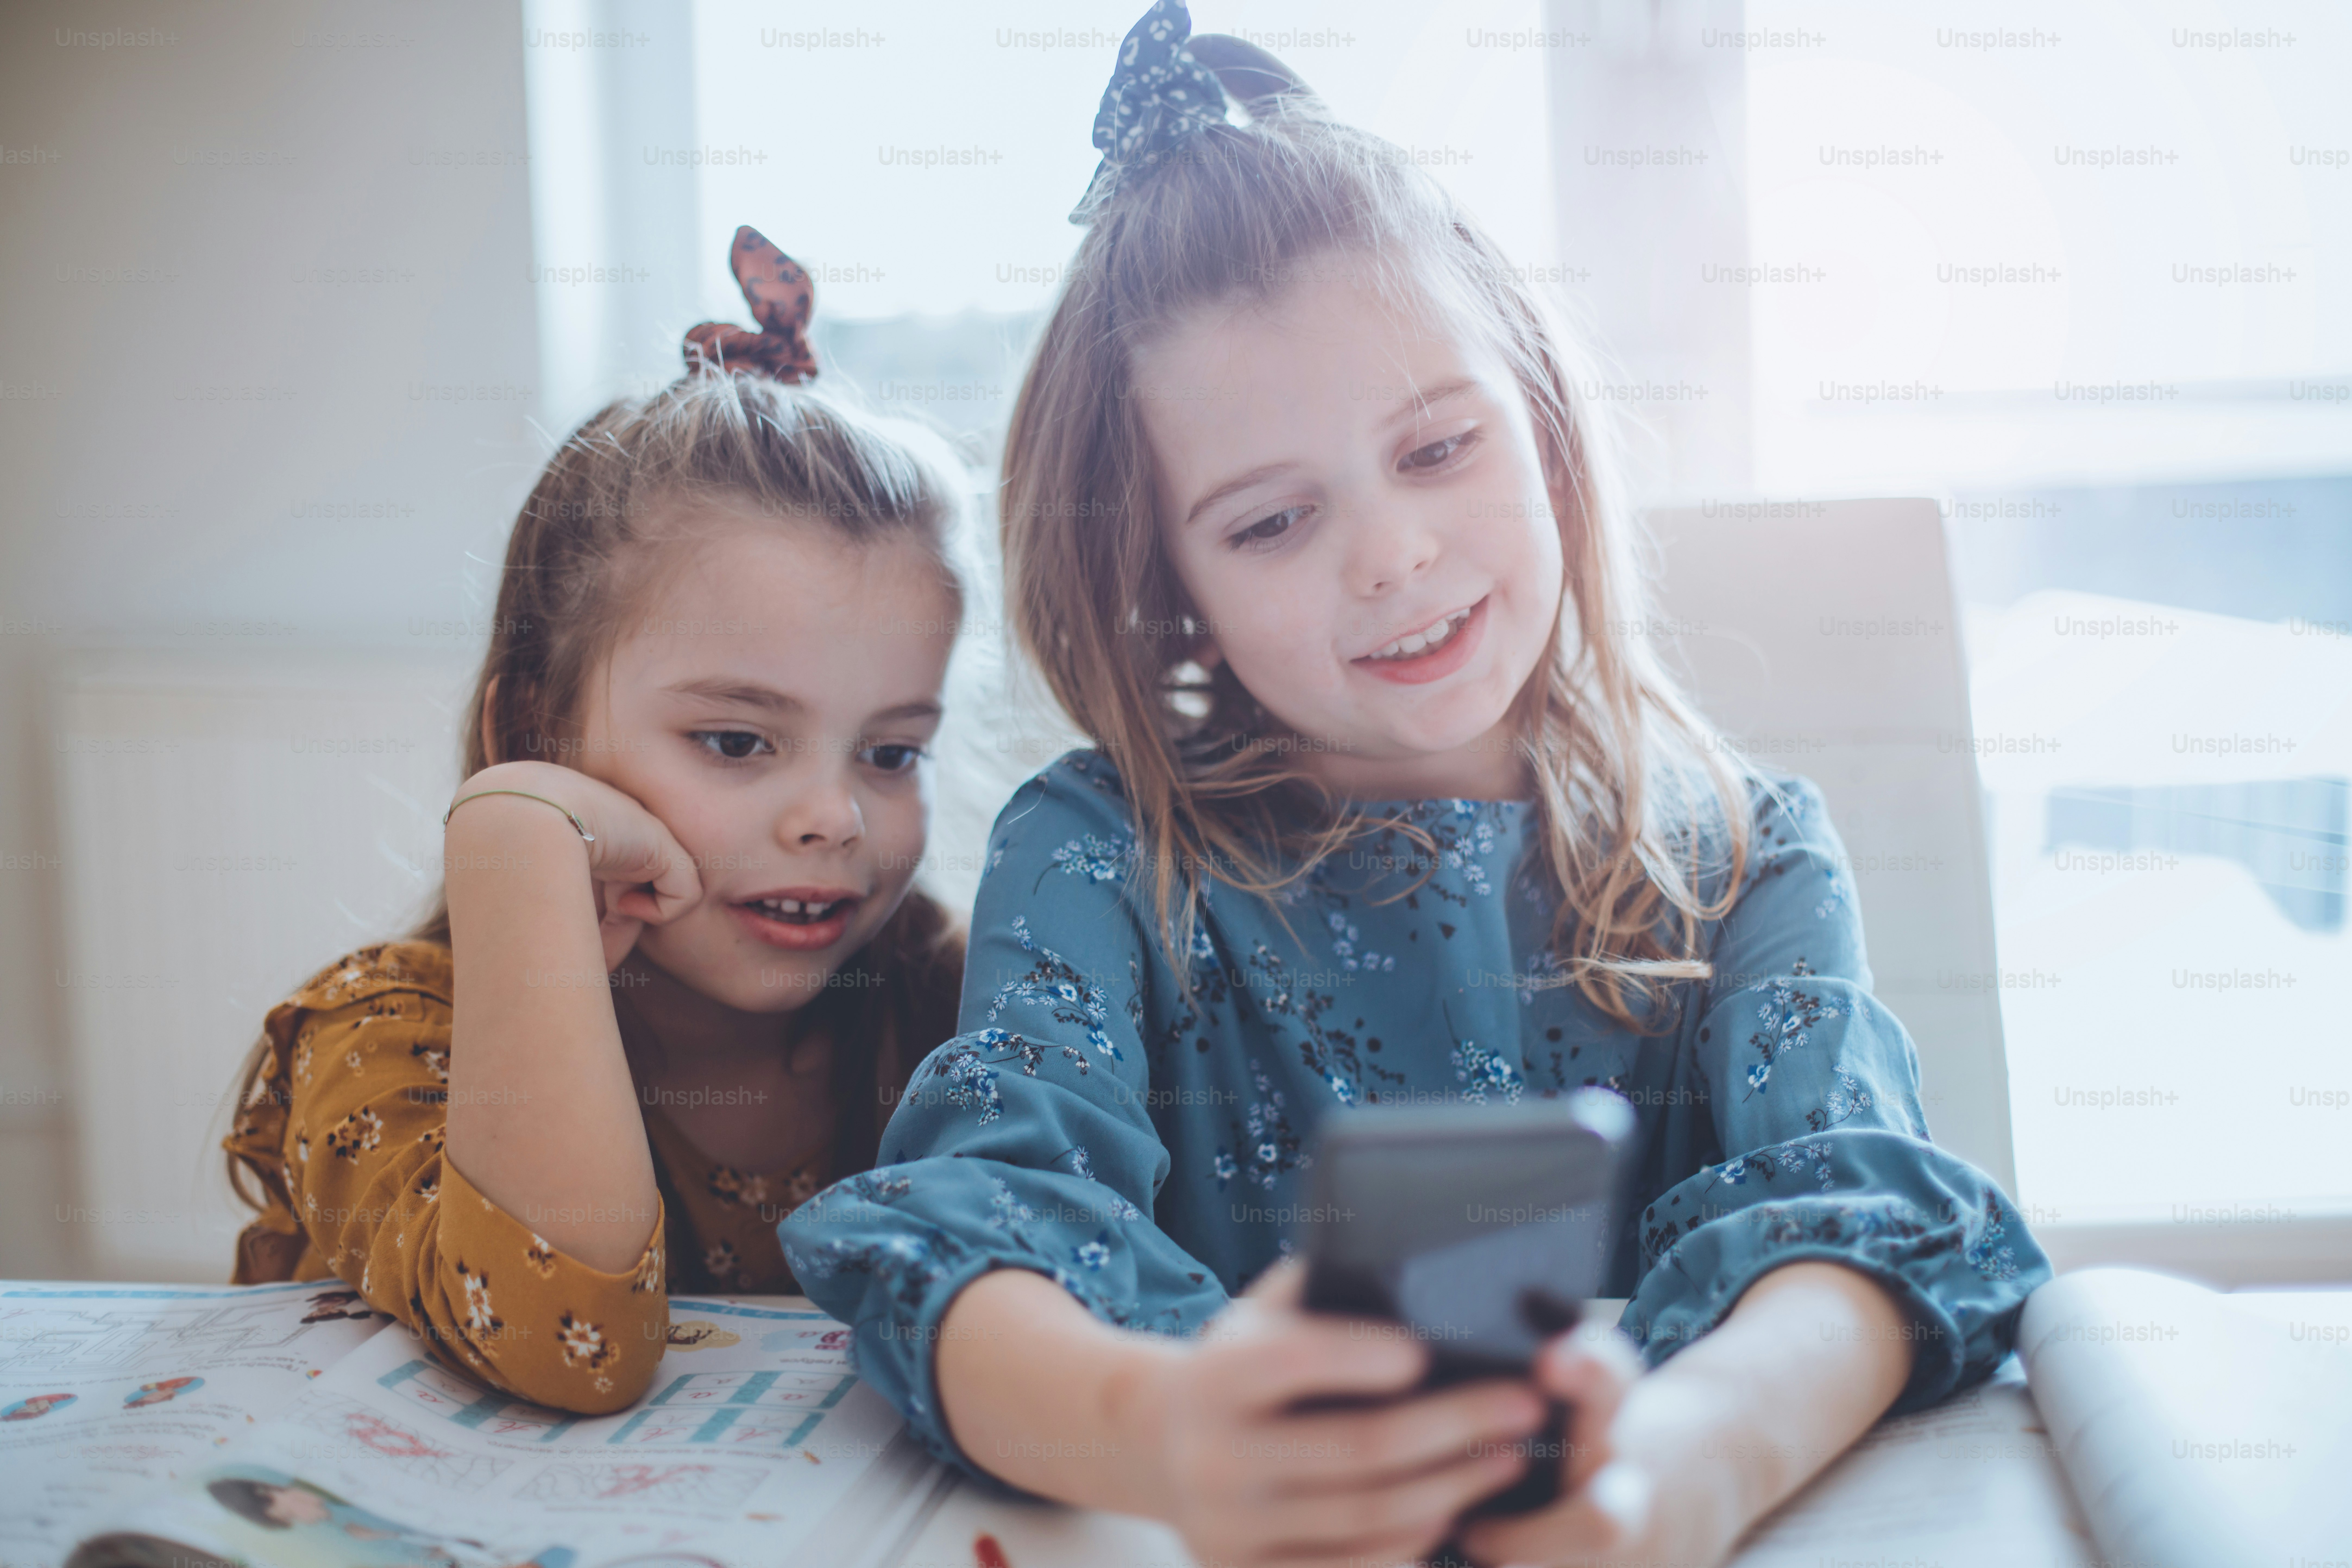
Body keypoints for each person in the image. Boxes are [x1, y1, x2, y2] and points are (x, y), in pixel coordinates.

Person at [780, 10, 2050, 1567]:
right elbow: (971, 1230)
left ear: (1544, 426)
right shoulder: (1103, 853)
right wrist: (1166, 1431)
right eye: (1268, 525)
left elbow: (1865, 1231)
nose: (1390, 555)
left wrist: (1676, 1472)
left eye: (1438, 447)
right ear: (1165, 585)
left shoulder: (1746, 854)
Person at [222, 227, 973, 1415]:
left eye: (891, 753)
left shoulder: (954, 1006)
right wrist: (515, 839)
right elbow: (570, 1347)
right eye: (735, 742)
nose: (834, 816)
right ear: (533, 728)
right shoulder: (377, 1042)